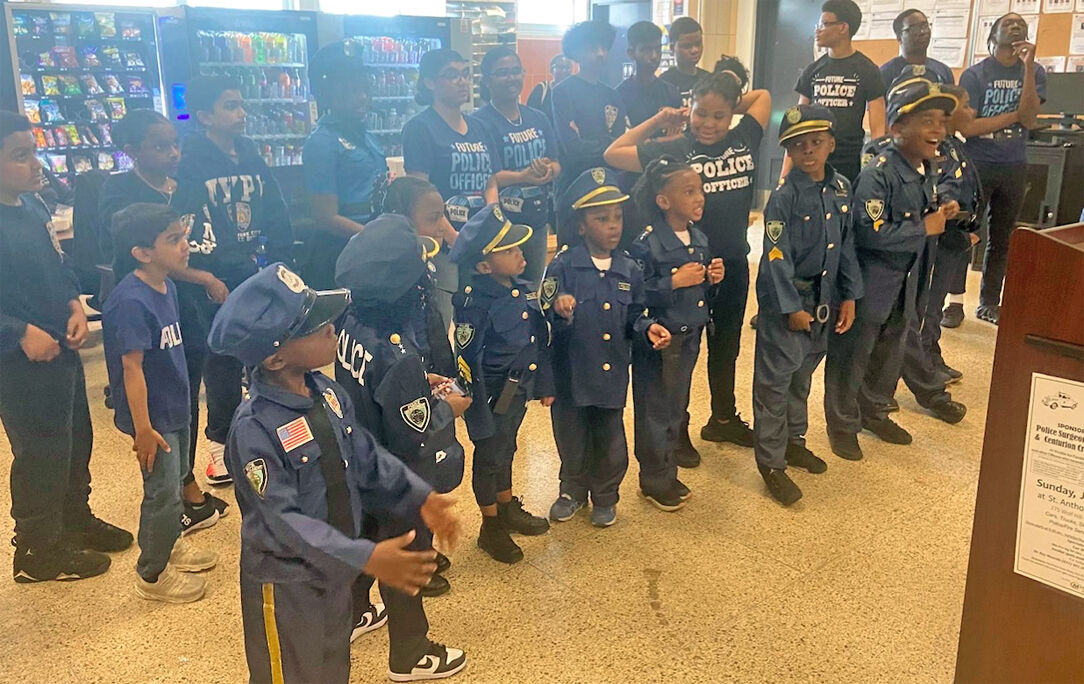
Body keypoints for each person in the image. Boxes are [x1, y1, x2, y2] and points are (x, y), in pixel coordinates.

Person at [208, 264, 466, 683]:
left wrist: (418, 496)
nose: (331, 327)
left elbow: (366, 457)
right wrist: (368, 557)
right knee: (291, 673)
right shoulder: (254, 431)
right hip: (287, 585)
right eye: (314, 325)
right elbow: (284, 523)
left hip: (334, 572)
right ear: (275, 357)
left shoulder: (325, 392)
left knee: (331, 666)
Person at [605, 68, 771, 450]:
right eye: (700, 113)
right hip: (684, 271)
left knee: (726, 346)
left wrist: (723, 97)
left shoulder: (745, 135)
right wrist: (664, 119)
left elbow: (761, 95)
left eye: (718, 115)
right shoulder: (675, 148)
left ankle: (723, 418)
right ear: (688, 109)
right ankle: (675, 428)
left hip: (730, 265)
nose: (708, 123)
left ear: (732, 114)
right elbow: (612, 153)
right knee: (680, 354)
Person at [334, 217, 472, 674]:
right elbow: (415, 429)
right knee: (406, 553)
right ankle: (410, 651)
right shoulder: (399, 356)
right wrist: (450, 407)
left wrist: (414, 386)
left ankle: (354, 613)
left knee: (365, 534)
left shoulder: (349, 320)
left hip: (359, 457)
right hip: (396, 474)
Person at [0, 110, 132, 583]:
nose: (35, 164)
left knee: (76, 438)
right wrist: (16, 333)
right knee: (41, 448)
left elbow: (59, 267)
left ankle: (74, 517)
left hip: (62, 345)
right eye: (19, 156)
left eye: (33, 151)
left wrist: (76, 304)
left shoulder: (33, 207)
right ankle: (37, 548)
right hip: (18, 360)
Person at [99, 109, 229, 533]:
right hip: (152, 302)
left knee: (186, 390)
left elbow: (202, 236)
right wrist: (203, 275)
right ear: (131, 151)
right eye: (160, 146)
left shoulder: (186, 184)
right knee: (160, 395)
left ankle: (185, 479)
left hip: (186, 306)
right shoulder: (121, 194)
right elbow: (149, 254)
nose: (173, 153)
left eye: (175, 143)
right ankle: (174, 491)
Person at [823, 80, 961, 461]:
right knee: (854, 356)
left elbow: (927, 203)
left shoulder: (924, 168)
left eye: (941, 121)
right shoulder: (877, 173)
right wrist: (923, 227)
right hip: (871, 282)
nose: (938, 130)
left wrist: (942, 209)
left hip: (906, 281)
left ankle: (876, 411)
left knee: (890, 352)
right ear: (898, 128)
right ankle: (842, 424)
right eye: (927, 121)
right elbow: (869, 231)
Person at [173, 75, 294, 488]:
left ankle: (263, 429)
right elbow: (186, 222)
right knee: (221, 362)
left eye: (241, 104)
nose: (241, 113)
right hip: (210, 277)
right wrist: (207, 273)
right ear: (205, 115)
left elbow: (274, 208)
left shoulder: (250, 153)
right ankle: (220, 441)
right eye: (230, 105)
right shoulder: (190, 162)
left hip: (253, 267)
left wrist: (281, 259)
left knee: (263, 352)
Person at [102, 203, 218, 602]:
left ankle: (170, 543)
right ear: (142, 252)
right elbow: (131, 370)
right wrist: (143, 429)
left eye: (183, 236)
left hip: (176, 405)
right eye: (173, 240)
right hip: (154, 419)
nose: (185, 245)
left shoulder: (165, 286)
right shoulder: (130, 301)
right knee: (163, 493)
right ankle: (152, 573)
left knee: (177, 478)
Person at [542, 167, 668, 526]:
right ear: (581, 225)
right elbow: (542, 315)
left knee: (611, 438)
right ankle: (572, 490)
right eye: (601, 218)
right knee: (571, 436)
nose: (613, 225)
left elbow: (636, 315)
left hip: (611, 373)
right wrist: (558, 307)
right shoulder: (562, 266)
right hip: (572, 375)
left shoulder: (629, 269)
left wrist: (649, 328)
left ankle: (605, 495)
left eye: (617, 216)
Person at [752, 105, 861, 506]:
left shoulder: (842, 188)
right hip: (791, 303)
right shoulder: (783, 199)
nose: (808, 152)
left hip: (825, 299)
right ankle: (770, 461)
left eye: (816, 142)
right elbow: (775, 255)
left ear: (831, 143)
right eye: (798, 146)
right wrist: (790, 306)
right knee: (774, 384)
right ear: (790, 154)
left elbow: (845, 245)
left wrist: (849, 294)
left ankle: (794, 442)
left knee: (802, 377)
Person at [449, 204, 553, 563]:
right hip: (490, 397)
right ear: (483, 266)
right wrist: (477, 414)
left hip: (518, 391)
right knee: (489, 457)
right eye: (508, 250)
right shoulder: (473, 303)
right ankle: (490, 526)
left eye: (518, 247)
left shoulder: (520, 289)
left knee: (507, 449)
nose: (520, 253)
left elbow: (536, 341)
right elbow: (467, 360)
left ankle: (506, 505)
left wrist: (542, 385)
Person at [628, 156, 724, 510]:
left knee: (675, 407)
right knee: (656, 410)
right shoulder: (647, 243)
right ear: (663, 201)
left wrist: (712, 279)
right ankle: (654, 479)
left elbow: (700, 292)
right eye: (689, 191)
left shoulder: (697, 237)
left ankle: (667, 471)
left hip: (690, 334)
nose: (699, 197)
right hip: (660, 338)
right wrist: (672, 281)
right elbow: (634, 293)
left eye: (700, 190)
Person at [959, 12, 1045, 326]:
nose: (1016, 27)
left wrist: (1028, 69)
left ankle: (989, 303)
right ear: (993, 35)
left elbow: (1032, 119)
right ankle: (954, 301)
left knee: (1001, 238)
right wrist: (1013, 117)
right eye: (1007, 23)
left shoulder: (1034, 72)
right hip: (979, 163)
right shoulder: (974, 74)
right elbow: (969, 128)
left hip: (1014, 165)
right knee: (965, 232)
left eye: (1021, 24)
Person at [898, 84, 982, 404]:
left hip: (955, 234)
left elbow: (968, 189)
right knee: (929, 304)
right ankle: (926, 361)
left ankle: (931, 355)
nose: (971, 112)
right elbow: (942, 189)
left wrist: (973, 227)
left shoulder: (955, 145)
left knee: (935, 300)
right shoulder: (940, 149)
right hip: (942, 234)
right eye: (967, 106)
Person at [302, 40, 389, 289]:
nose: (362, 97)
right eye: (351, 91)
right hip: (340, 253)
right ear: (327, 94)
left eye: (364, 89)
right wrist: (375, 238)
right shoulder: (321, 143)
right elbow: (326, 216)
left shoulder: (366, 136)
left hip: (371, 246)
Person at [474, 46, 561, 284]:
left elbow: (556, 163)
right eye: (502, 72)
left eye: (515, 71)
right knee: (503, 291)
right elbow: (488, 176)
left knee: (533, 288)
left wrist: (546, 170)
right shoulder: (477, 122)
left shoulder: (538, 117)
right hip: (502, 224)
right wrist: (524, 175)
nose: (511, 78)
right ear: (487, 79)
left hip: (537, 219)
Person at [789, 0, 886, 182]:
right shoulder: (812, 70)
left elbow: (878, 130)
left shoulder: (868, 69)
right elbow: (797, 123)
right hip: (813, 158)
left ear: (843, 28)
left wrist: (876, 168)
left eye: (825, 24)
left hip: (849, 162)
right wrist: (786, 172)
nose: (818, 30)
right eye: (818, 24)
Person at [551, 20, 626, 227]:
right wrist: (608, 144)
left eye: (604, 47)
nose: (600, 53)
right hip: (572, 187)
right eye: (593, 48)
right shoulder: (562, 92)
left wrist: (597, 143)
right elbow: (572, 148)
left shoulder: (612, 95)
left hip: (608, 187)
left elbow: (622, 145)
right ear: (576, 53)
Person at [617, 22, 682, 130]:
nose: (654, 56)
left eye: (658, 49)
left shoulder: (671, 92)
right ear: (631, 53)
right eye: (647, 50)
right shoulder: (619, 96)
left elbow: (677, 135)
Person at [879, 9, 955, 91]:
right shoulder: (886, 73)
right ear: (899, 38)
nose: (922, 32)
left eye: (925, 26)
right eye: (914, 28)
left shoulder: (943, 71)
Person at [659, 17, 709, 109]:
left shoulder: (709, 80)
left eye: (698, 44)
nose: (695, 50)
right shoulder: (663, 83)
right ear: (672, 48)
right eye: (687, 46)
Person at [526, 54, 574, 125]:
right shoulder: (542, 89)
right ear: (551, 70)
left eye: (567, 67)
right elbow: (530, 115)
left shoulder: (574, 92)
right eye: (560, 67)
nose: (564, 70)